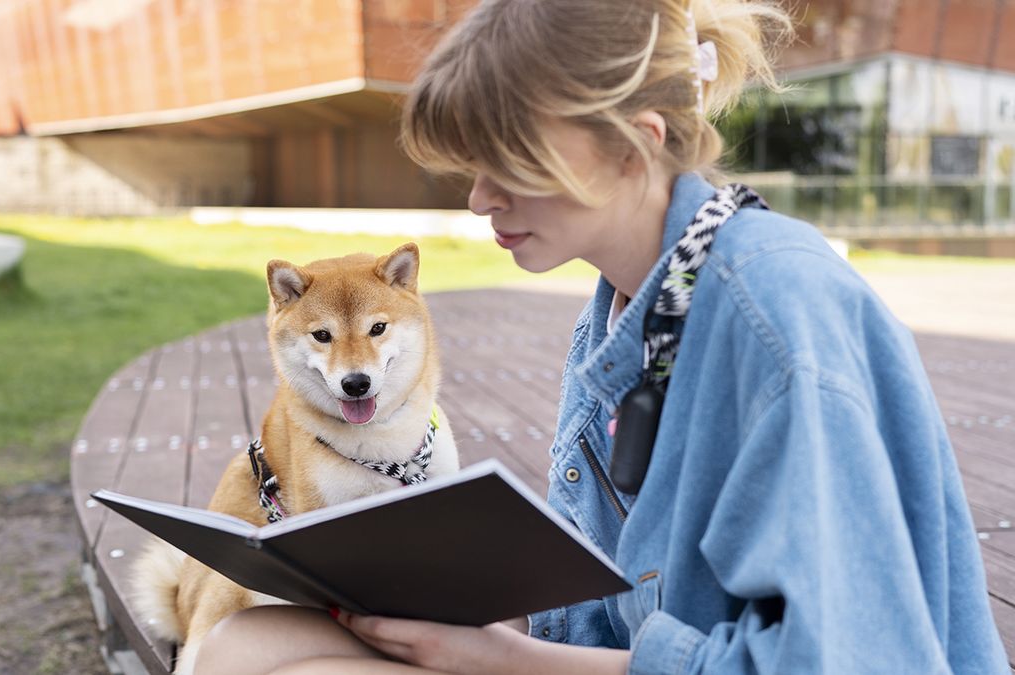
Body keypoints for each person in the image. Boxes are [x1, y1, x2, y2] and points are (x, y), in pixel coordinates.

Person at [194, 0, 1009, 673]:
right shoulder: (633, 297)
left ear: (633, 143)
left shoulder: (777, 312)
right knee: (240, 639)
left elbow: (853, 658)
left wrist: (507, 659)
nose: (479, 199)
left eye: (505, 162)